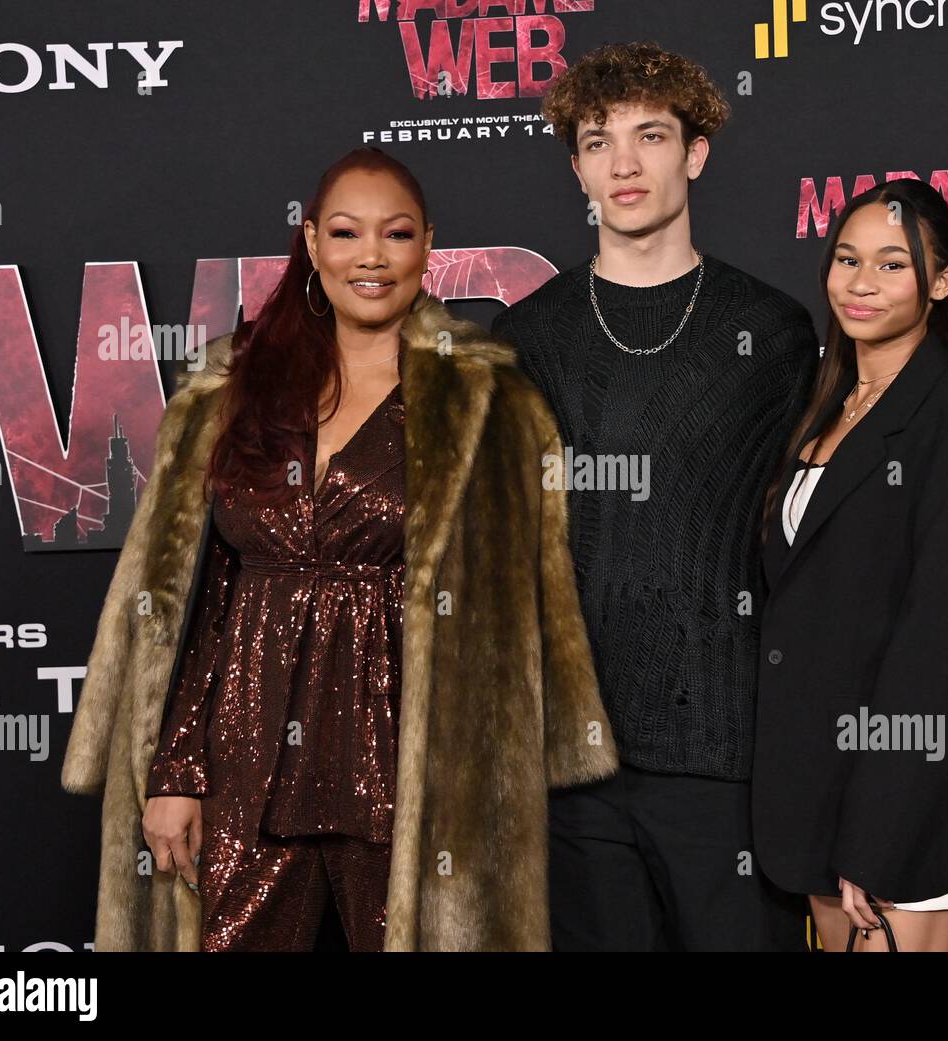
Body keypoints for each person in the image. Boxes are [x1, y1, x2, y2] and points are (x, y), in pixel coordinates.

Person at [60, 146, 617, 951]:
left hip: (410, 762)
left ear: (429, 246)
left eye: (395, 234)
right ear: (312, 241)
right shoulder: (233, 390)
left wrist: (486, 788)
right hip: (246, 752)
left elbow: (519, 614)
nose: (371, 256)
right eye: (348, 233)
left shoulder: (490, 405)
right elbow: (198, 601)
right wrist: (177, 768)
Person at [491, 42, 816, 951]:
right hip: (574, 763)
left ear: (696, 153)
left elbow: (808, 548)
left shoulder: (772, 332)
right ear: (577, 166)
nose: (625, 164)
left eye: (651, 135)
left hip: (731, 755)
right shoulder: (529, 334)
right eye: (599, 142)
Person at [751, 178, 948, 952]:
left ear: (944, 281)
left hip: (905, 805)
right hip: (820, 793)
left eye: (892, 264)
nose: (860, 282)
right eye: (847, 258)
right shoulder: (825, 407)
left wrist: (877, 835)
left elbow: (942, 641)